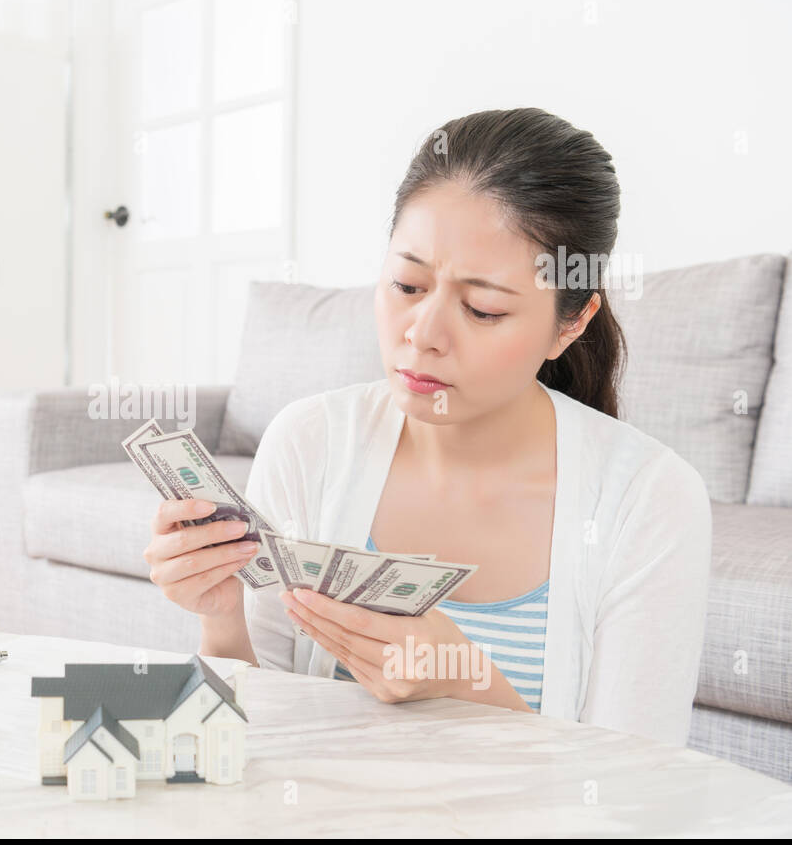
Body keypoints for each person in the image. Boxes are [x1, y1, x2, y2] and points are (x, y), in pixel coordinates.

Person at [142, 107, 712, 747]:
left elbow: (637, 799)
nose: (422, 334)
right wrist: (222, 623)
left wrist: (467, 680)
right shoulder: (310, 441)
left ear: (570, 323)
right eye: (407, 284)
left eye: (483, 309)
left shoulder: (649, 500)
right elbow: (256, 739)